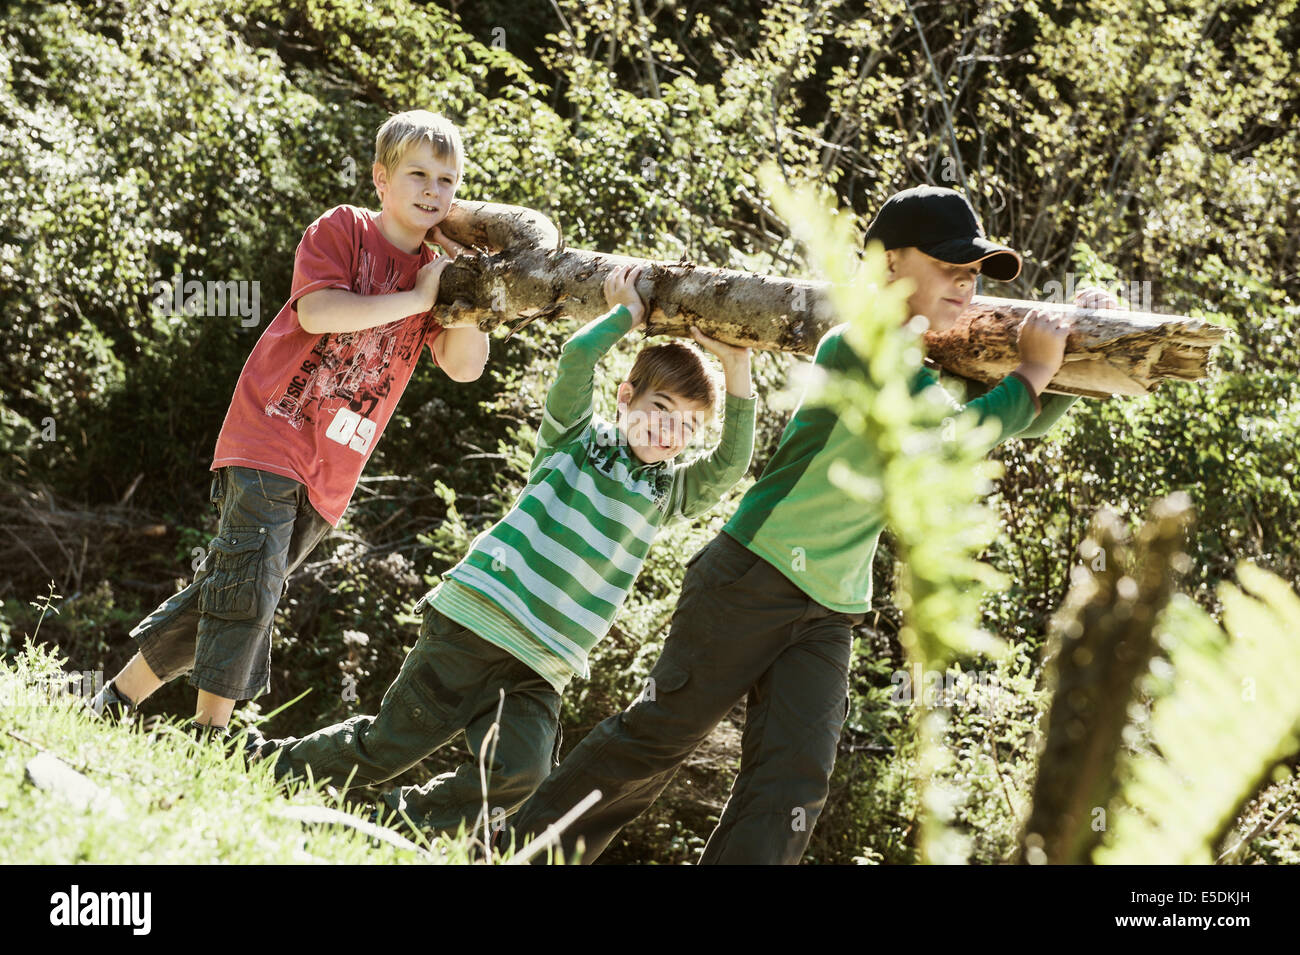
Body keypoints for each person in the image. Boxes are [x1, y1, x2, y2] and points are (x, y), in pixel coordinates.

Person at [511, 184, 1119, 864]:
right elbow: (953, 434)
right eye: (950, 262)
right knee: (660, 735)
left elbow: (1013, 419)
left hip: (831, 604)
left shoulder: (933, 364)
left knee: (794, 778)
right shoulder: (859, 342)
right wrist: (1036, 368)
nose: (967, 279)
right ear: (888, 264)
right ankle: (517, 854)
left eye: (975, 271)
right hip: (751, 573)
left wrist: (1071, 347)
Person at [251, 264, 758, 835]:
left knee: (524, 770)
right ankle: (265, 763)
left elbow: (731, 464)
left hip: (545, 662)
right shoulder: (578, 440)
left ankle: (398, 825)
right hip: (476, 620)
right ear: (626, 396)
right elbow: (575, 362)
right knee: (389, 744)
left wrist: (737, 368)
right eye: (662, 410)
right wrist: (625, 317)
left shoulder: (668, 491)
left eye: (687, 428)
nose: (669, 432)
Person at [88, 110, 489, 735]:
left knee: (237, 583)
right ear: (381, 179)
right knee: (251, 586)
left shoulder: (438, 273)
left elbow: (464, 368)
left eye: (448, 178)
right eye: (418, 174)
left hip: (335, 467)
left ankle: (111, 702)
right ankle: (208, 734)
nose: (435, 190)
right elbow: (319, 312)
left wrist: (468, 293)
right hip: (274, 429)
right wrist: (416, 299)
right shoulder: (345, 229)